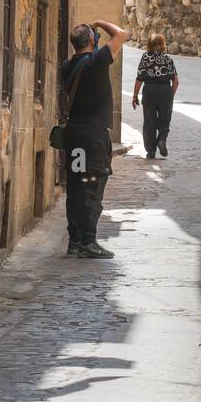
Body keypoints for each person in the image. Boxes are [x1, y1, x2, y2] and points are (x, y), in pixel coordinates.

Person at [60, 18, 126, 259]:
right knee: (92, 186)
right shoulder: (96, 63)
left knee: (76, 186)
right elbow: (121, 34)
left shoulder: (66, 66)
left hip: (74, 135)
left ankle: (74, 240)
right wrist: (99, 22)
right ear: (91, 41)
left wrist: (91, 32)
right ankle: (89, 241)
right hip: (93, 137)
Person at [132, 33, 178, 158]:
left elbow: (139, 78)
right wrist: (170, 95)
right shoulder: (168, 59)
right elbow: (175, 81)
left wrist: (135, 96)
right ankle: (162, 139)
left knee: (149, 122)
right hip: (165, 90)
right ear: (163, 45)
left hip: (149, 91)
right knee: (165, 119)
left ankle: (151, 151)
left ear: (150, 45)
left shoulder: (146, 57)